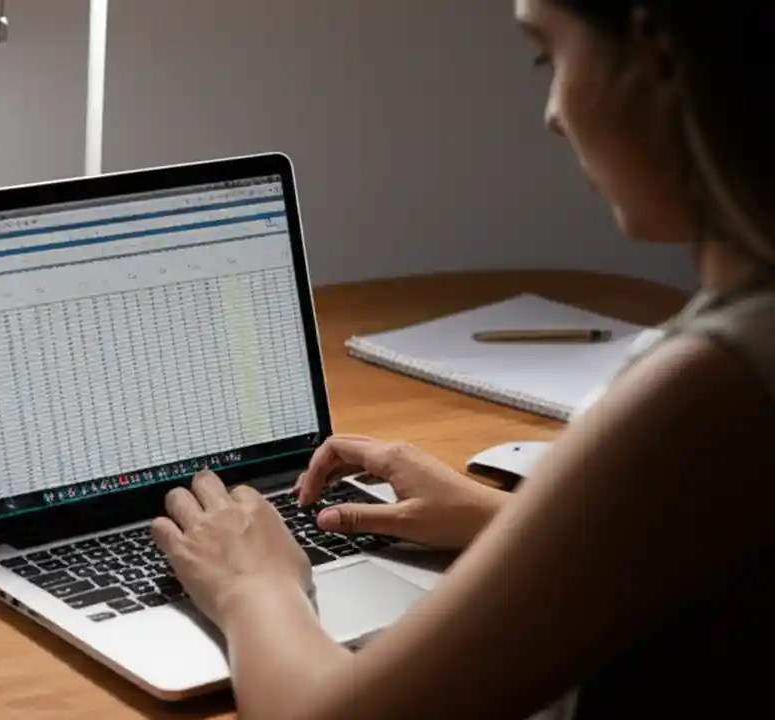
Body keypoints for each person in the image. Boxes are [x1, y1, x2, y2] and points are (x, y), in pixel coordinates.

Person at [150, 1, 775, 717]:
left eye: (549, 56)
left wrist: (249, 586)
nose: (552, 113)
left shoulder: (712, 391)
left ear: (660, 60)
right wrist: (507, 521)